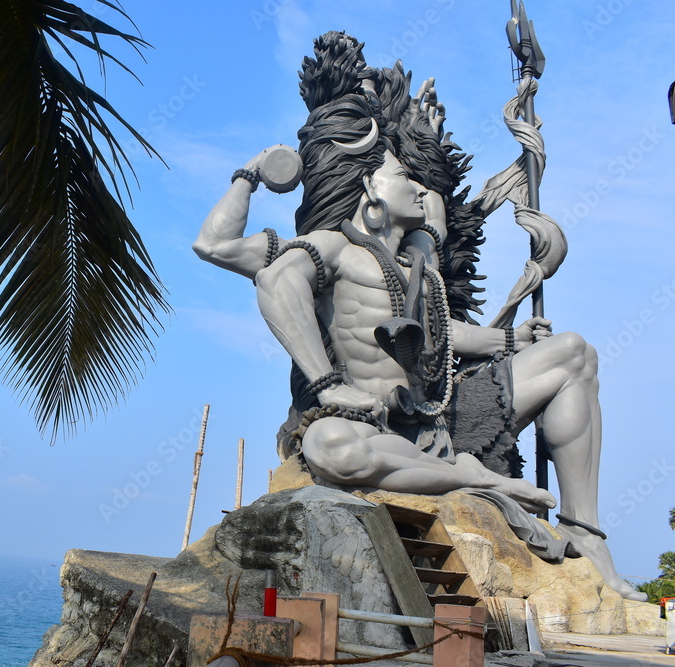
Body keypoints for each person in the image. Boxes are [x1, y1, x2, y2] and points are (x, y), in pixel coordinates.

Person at [193, 31, 646, 601]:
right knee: (327, 447)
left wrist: (508, 339)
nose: (414, 182)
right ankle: (475, 479)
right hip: (366, 424)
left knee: (574, 353)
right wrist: (253, 173)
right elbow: (224, 251)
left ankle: (586, 532)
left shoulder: (420, 261)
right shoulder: (329, 247)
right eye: (400, 174)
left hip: (440, 419)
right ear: (370, 194)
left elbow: (441, 336)